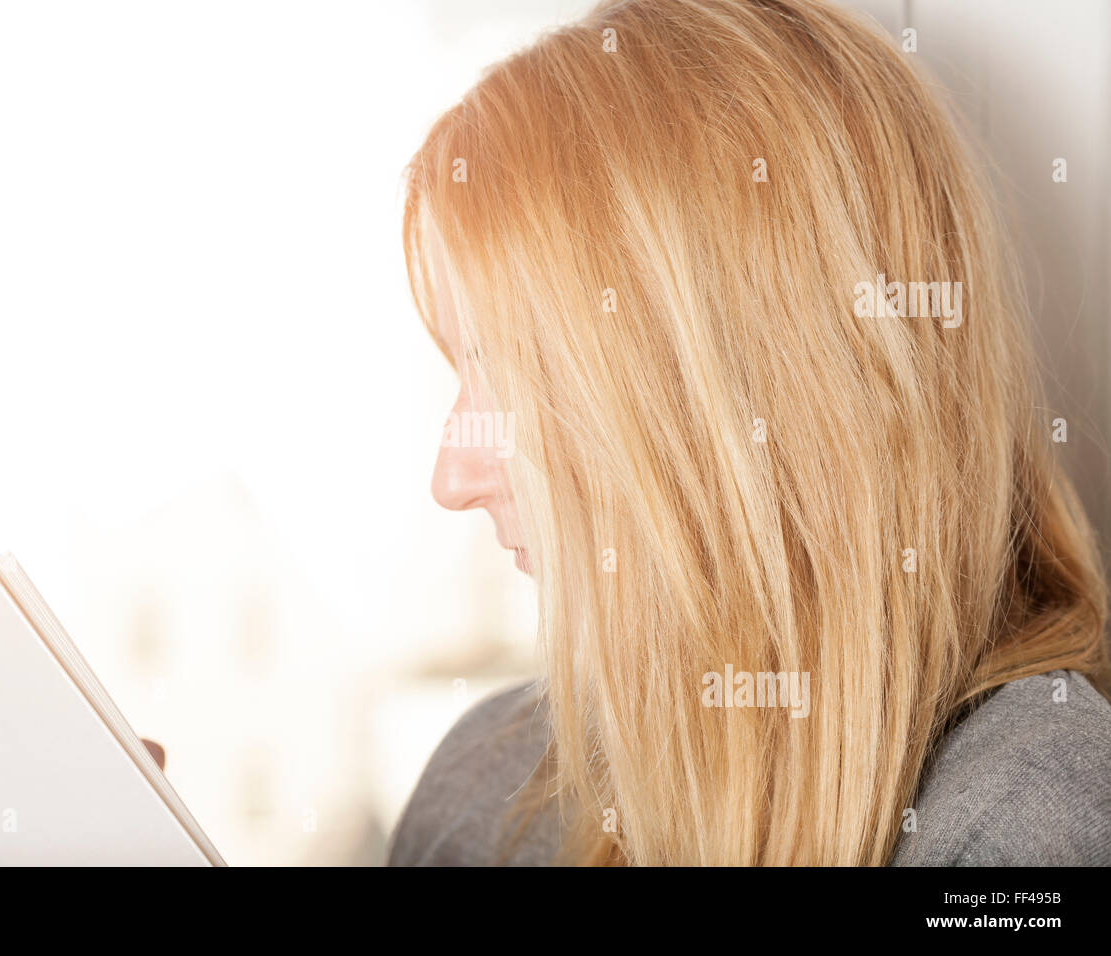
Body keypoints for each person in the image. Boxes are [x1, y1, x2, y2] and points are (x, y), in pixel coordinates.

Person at [387, 0, 1111, 865]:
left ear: (742, 391)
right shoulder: (483, 784)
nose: (452, 478)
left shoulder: (1031, 819)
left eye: (519, 374)